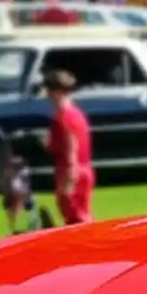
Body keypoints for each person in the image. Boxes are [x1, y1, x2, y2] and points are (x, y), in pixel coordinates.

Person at [44, 70, 93, 225]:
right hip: (84, 170)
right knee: (80, 214)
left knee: (76, 219)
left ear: (57, 91)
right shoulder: (77, 114)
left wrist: (69, 181)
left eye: (50, 90)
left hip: (71, 172)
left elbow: (71, 146)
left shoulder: (63, 117)